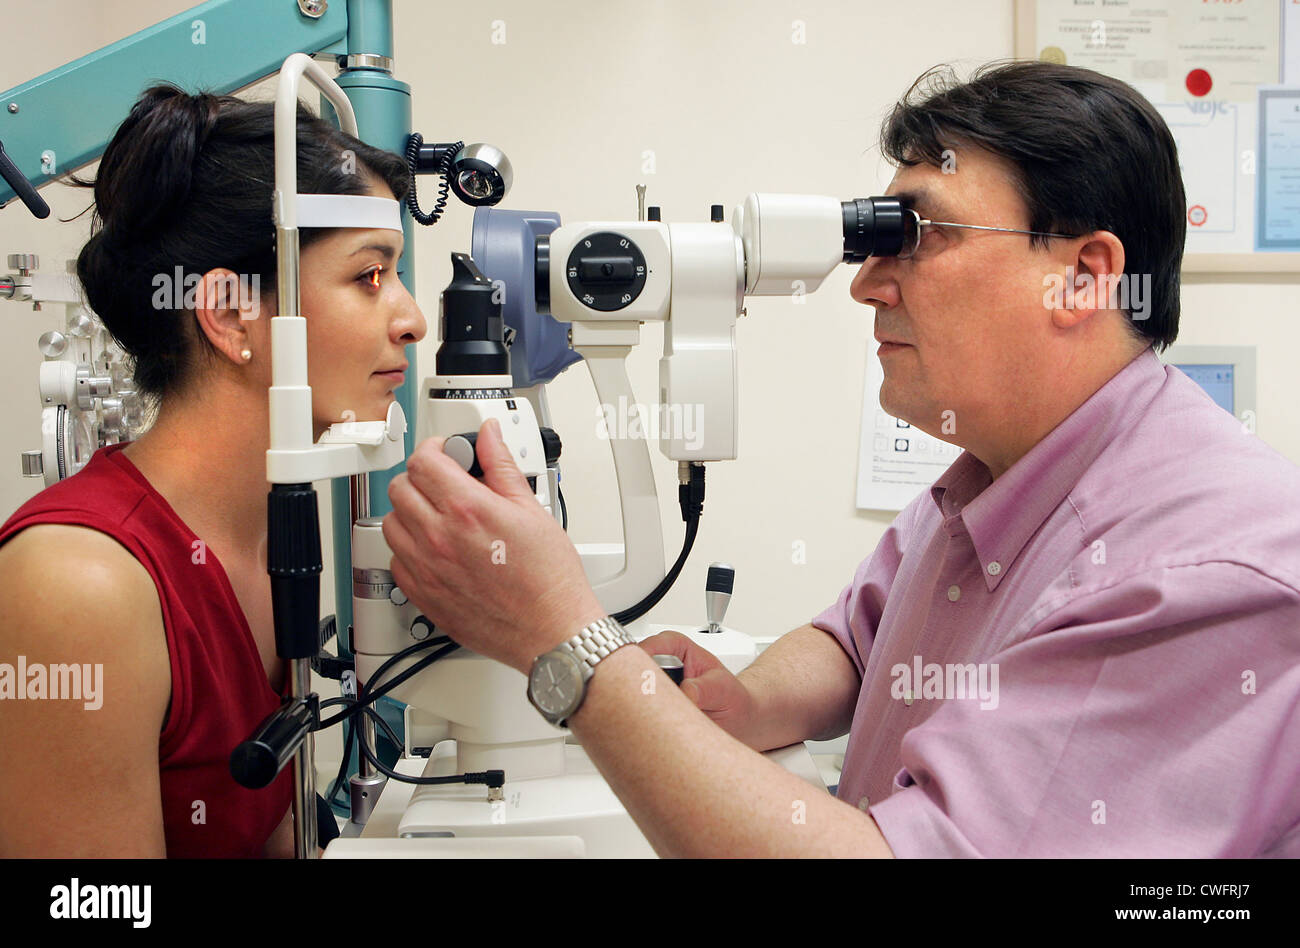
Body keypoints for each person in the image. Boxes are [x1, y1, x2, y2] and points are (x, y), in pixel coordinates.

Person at [382, 60, 1300, 857]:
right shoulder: (1000, 471)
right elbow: (858, 643)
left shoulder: (1202, 579)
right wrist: (748, 701)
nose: (864, 282)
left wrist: (568, 645)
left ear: (1086, 277)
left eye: (917, 236)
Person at [0, 85, 427, 857]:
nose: (412, 318)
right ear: (231, 314)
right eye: (371, 276)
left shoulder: (268, 532)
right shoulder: (80, 584)